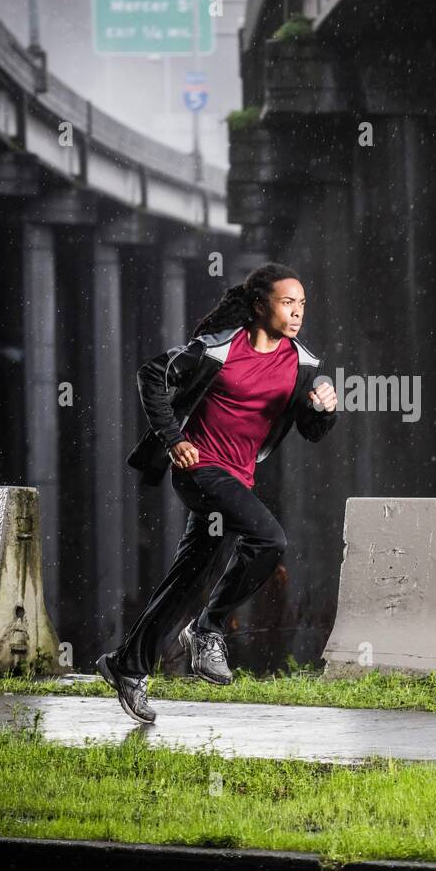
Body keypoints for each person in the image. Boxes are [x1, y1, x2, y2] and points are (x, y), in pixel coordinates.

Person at [96, 262, 338, 724]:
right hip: (200, 469)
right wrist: (175, 440)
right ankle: (208, 630)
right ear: (259, 304)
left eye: (302, 304)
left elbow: (311, 430)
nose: (297, 312)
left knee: (189, 581)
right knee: (270, 539)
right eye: (287, 302)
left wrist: (324, 409)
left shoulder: (303, 365)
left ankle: (126, 665)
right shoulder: (217, 349)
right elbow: (152, 376)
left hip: (238, 479)